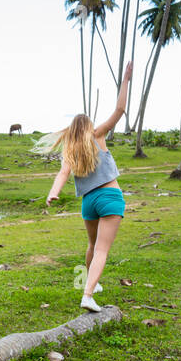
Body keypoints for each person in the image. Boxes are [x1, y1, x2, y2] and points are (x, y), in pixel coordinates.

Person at [43, 62, 132, 312]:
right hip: (110, 197)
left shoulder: (71, 149)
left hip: (88, 203)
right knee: (102, 249)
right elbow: (120, 109)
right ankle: (88, 294)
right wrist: (125, 80)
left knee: (93, 246)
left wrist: (53, 193)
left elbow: (62, 174)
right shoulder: (98, 135)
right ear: (88, 127)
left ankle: (91, 281)